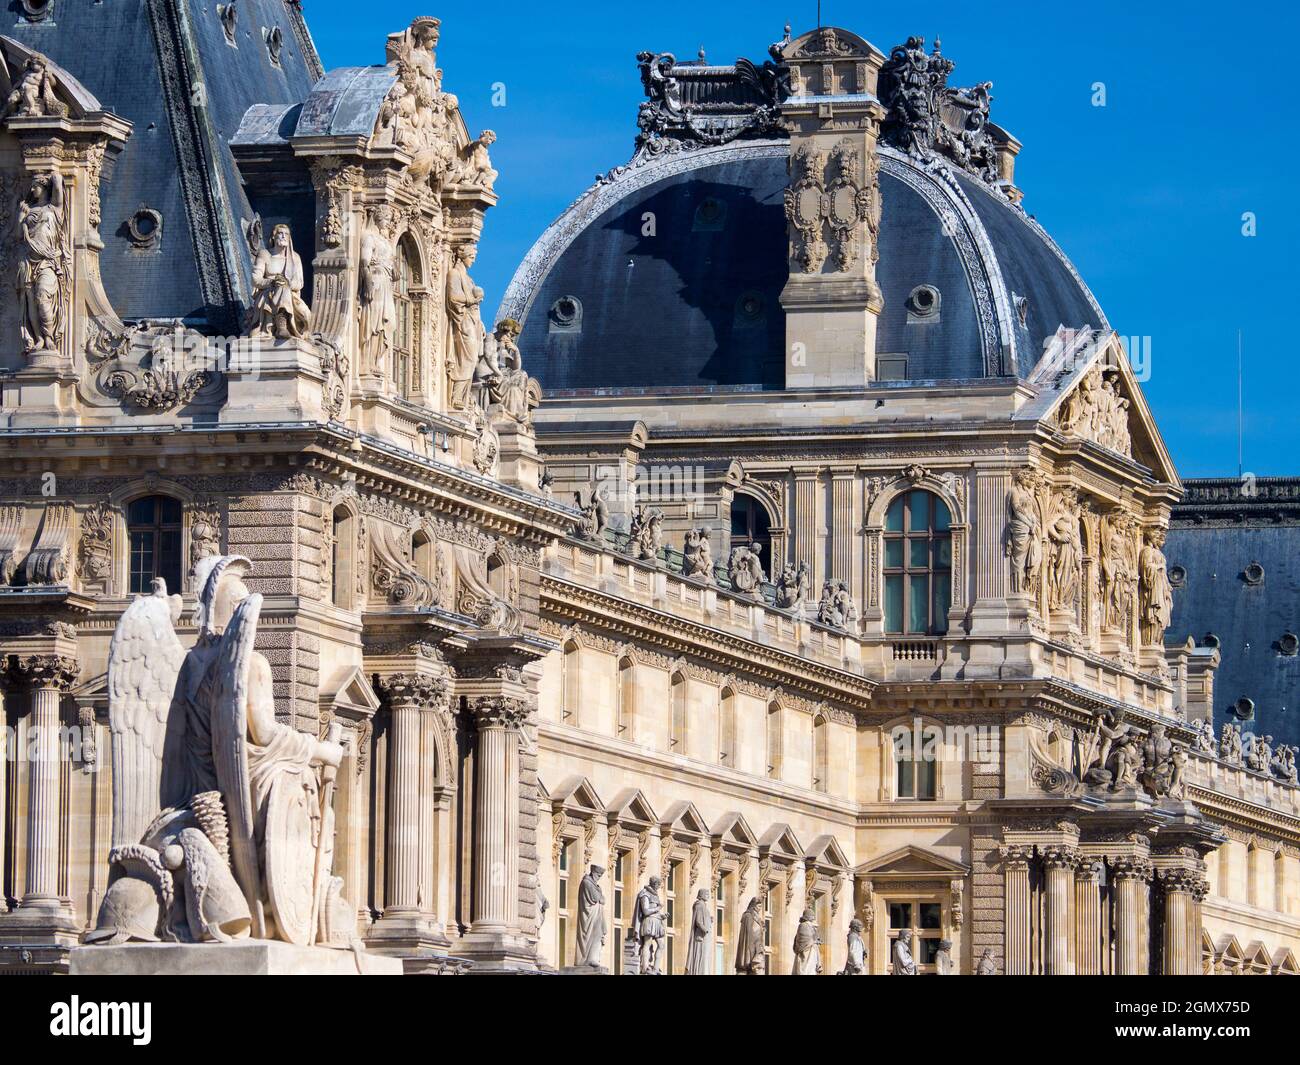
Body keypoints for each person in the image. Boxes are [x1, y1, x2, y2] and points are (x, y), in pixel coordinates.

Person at [685, 888, 712, 974]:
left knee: (705, 956)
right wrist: (705, 930)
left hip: (704, 937)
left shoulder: (703, 906)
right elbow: (698, 921)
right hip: (701, 937)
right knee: (702, 956)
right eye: (706, 894)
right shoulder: (699, 905)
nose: (708, 896)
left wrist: (709, 919)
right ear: (702, 895)